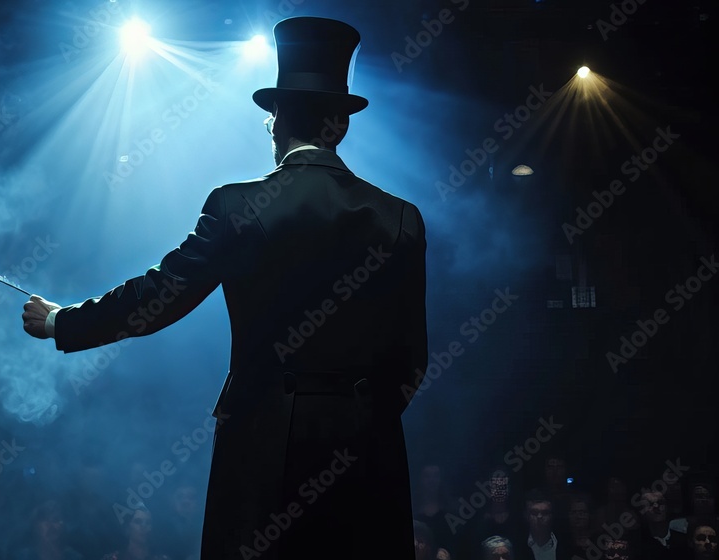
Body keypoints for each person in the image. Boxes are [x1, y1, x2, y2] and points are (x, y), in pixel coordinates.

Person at [22, 16, 428, 560]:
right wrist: (359, 421)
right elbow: (412, 362)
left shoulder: (237, 207)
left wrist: (63, 320)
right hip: (367, 456)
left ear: (277, 122)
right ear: (341, 125)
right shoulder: (401, 219)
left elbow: (162, 295)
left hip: (263, 456)